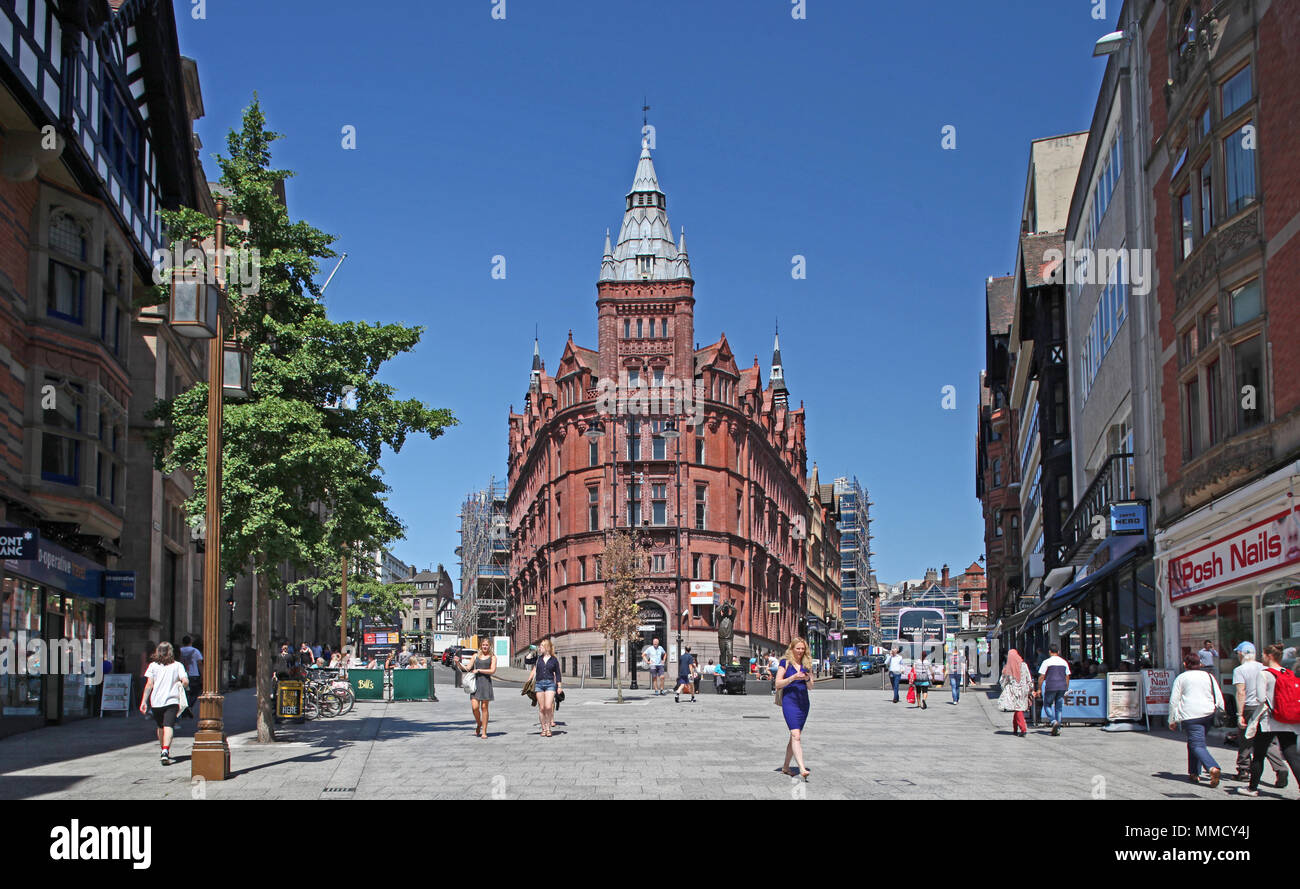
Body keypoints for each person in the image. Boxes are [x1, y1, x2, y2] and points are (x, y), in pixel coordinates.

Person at [1241, 642, 1300, 796]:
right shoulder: (1288, 672)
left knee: (1259, 755)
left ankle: (1252, 788)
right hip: (1287, 720)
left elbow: (1261, 698)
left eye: (1263, 655)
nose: (1261, 657)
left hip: (1269, 720)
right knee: (1292, 755)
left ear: (1269, 656)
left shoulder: (1264, 673)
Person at [1232, 641, 1288, 785]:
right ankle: (1280, 767)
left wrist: (1239, 714)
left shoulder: (1240, 670)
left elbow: (1241, 692)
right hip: (1267, 708)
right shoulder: (1265, 668)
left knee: (1246, 739)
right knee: (1270, 742)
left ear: (1241, 653)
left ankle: (1244, 770)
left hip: (1250, 707)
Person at [1169, 651, 1225, 787]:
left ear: (1185, 664)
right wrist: (1221, 710)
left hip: (1191, 715)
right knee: (1195, 743)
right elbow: (1217, 694)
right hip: (1208, 714)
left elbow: (1174, 700)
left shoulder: (1182, 678)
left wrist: (1172, 719)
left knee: (1197, 745)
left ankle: (1212, 767)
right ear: (1199, 663)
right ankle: (1194, 772)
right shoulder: (1209, 676)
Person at [139, 642, 189, 766]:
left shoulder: (152, 666)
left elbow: (149, 684)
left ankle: (164, 750)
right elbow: (185, 681)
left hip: (156, 701)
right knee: (168, 726)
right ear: (171, 652)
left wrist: (144, 701)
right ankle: (165, 750)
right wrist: (181, 685)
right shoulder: (178, 665)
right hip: (172, 700)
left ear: (158, 652)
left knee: (161, 726)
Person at [775, 637, 815, 781]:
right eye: (798, 648)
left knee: (794, 736)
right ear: (792, 648)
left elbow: (811, 687)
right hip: (790, 701)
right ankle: (802, 768)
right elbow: (777, 684)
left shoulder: (807, 664)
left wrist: (806, 679)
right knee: (796, 735)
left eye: (803, 649)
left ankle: (786, 767)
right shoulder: (784, 663)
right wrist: (792, 678)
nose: (800, 651)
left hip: (803, 703)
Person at [458, 638, 496, 739]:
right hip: (475, 683)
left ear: (489, 646)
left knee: (484, 707)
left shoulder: (492, 657)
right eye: (483, 645)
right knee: (475, 707)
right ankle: (479, 723)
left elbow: (492, 671)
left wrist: (479, 670)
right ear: (480, 645)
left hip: (486, 683)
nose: (485, 647)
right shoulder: (475, 656)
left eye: (486, 645)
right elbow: (467, 668)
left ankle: (484, 731)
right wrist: (458, 663)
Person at [527, 638, 562, 737]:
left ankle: (548, 728)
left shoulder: (554, 659)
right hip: (539, 684)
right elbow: (527, 660)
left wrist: (559, 686)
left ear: (546, 647)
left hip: (550, 684)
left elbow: (558, 673)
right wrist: (531, 652)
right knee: (542, 708)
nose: (539, 647)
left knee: (548, 706)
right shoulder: (538, 659)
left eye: (541, 646)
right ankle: (543, 728)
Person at [1036, 645, 1071, 736]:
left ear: (1049, 652)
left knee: (1047, 705)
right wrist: (1066, 687)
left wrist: (1039, 688)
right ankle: (1058, 728)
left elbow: (1042, 676)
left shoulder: (1046, 662)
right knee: (1058, 708)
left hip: (1051, 686)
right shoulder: (1064, 662)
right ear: (1058, 652)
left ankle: (1053, 721)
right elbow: (1067, 676)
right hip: (1062, 686)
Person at [998, 649, 1034, 736]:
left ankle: (1023, 729)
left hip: (1014, 690)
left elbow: (1003, 681)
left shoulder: (1008, 667)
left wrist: (1004, 688)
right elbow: (1028, 678)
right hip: (1024, 690)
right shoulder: (1024, 665)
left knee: (1018, 709)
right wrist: (1030, 688)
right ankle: (1015, 728)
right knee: (1018, 708)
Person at [178, 635, 203, 717]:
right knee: (194, 693)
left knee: (183, 693)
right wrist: (202, 674)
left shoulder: (179, 651)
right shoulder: (195, 651)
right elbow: (199, 663)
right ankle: (189, 706)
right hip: (193, 674)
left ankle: (185, 707)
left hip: (181, 675)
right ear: (191, 642)